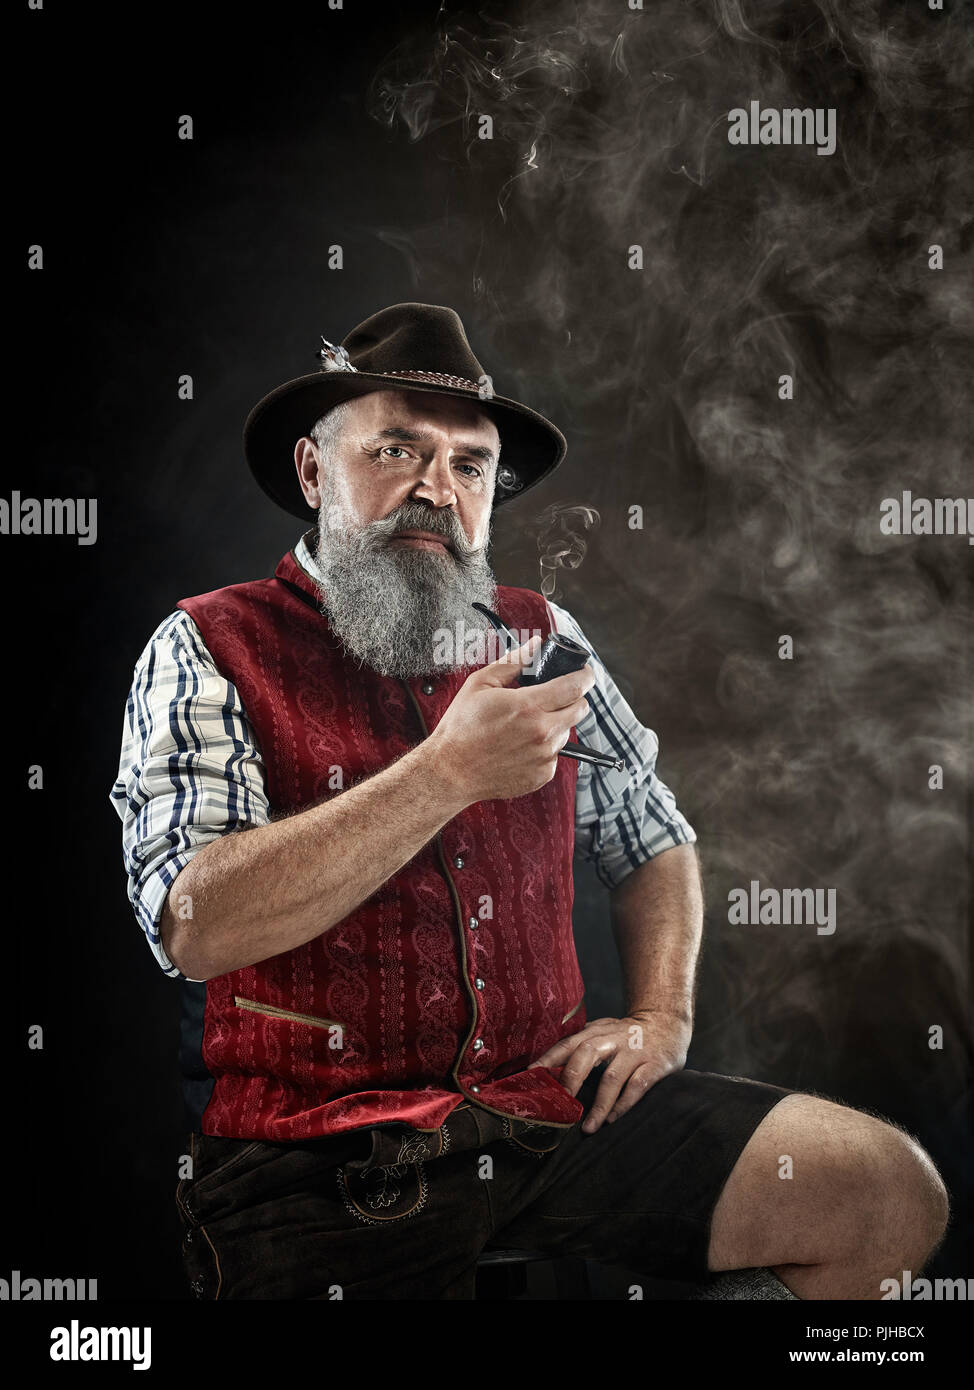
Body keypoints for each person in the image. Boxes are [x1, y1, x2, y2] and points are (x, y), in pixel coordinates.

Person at [109, 302, 948, 1301]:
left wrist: (659, 1017)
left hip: (547, 1119)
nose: (437, 489)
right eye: (397, 450)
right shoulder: (207, 645)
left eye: (470, 466)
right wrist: (443, 774)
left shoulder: (543, 636)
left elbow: (652, 835)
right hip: (314, 1164)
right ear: (313, 472)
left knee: (884, 1196)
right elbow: (193, 923)